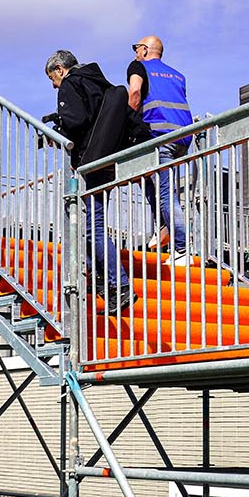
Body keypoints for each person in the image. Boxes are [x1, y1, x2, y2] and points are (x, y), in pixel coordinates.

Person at [45, 49, 139, 314]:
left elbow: (76, 121)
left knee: (91, 228)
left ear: (60, 69)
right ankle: (100, 279)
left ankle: (118, 285)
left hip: (90, 160)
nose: (54, 85)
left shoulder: (71, 84)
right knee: (89, 225)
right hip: (109, 161)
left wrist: (58, 132)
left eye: (52, 78)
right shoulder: (102, 84)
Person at [126, 36, 192, 265]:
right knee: (147, 180)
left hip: (160, 135)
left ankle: (182, 249)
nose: (134, 53)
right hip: (183, 138)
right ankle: (162, 226)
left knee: (166, 194)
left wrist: (123, 121)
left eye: (136, 48)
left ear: (144, 50)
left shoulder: (139, 67)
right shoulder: (177, 75)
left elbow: (134, 94)